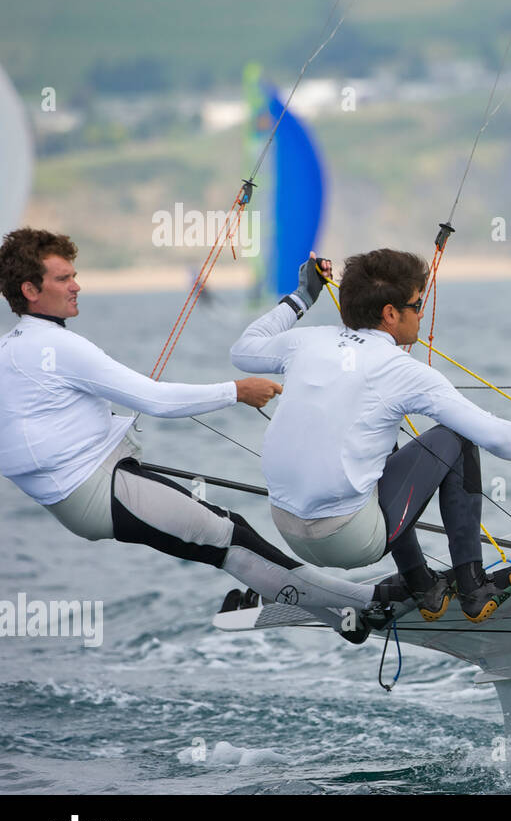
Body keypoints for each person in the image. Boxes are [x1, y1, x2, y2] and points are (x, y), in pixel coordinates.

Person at [0, 228, 386, 642]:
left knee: (223, 535)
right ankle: (366, 602)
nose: (77, 286)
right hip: (98, 490)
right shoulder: (55, 347)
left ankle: (330, 611)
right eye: (63, 279)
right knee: (227, 537)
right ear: (30, 289)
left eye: (74, 275)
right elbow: (155, 399)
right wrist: (236, 391)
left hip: (91, 487)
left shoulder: (12, 347)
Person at [230, 248, 511, 625]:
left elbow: (243, 350)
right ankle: (474, 588)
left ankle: (423, 585)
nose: (422, 314)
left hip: (288, 531)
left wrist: (302, 297)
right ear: (390, 314)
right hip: (348, 540)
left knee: (381, 437)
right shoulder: (401, 370)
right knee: (459, 436)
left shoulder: (307, 342)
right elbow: (491, 433)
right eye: (418, 305)